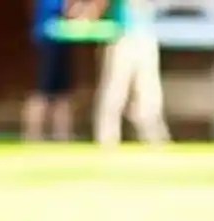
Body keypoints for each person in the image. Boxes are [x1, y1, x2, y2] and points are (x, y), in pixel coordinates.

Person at [25, 0, 106, 142]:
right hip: (49, 40)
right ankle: (33, 134)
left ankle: (62, 134)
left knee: (63, 93)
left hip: (61, 41)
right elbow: (67, 11)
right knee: (44, 92)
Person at [95, 0, 172, 146]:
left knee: (149, 93)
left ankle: (154, 138)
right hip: (123, 36)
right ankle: (107, 139)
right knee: (115, 92)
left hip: (146, 37)